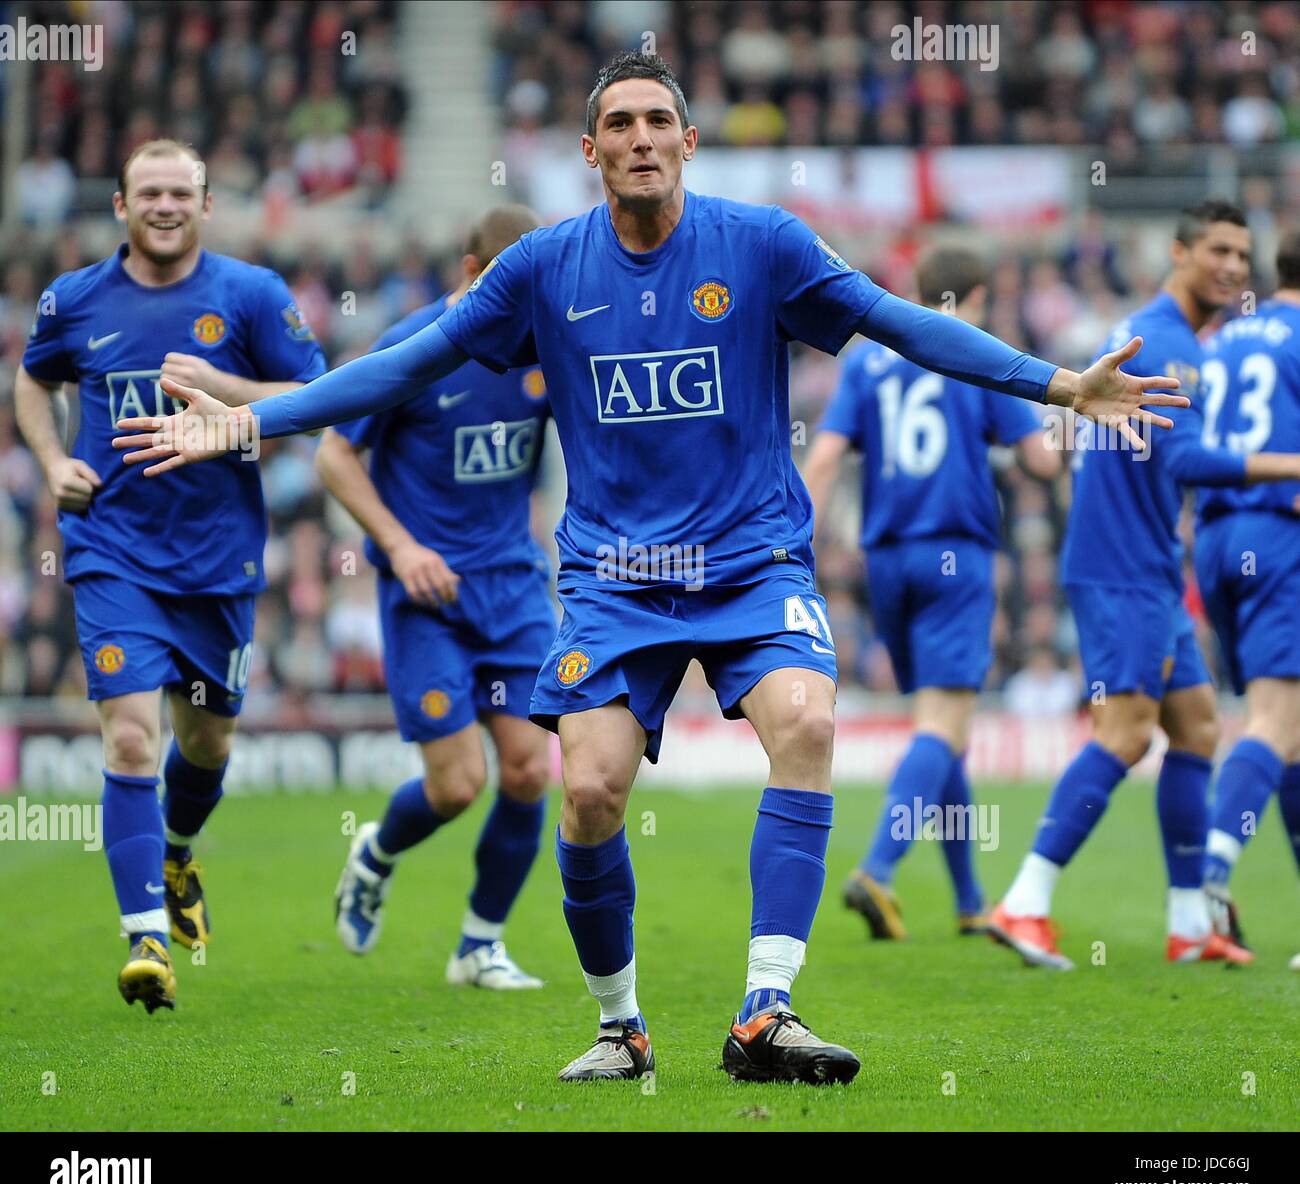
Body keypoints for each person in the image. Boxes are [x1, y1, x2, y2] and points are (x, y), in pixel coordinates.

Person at [115, 54, 1187, 1080]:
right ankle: (619, 1025)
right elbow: (401, 366)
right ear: (589, 148)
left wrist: (1055, 385)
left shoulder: (761, 243)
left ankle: (766, 1007)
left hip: (753, 558)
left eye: (657, 121)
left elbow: (895, 322)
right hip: (612, 577)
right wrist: (256, 424)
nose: (640, 139)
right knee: (585, 794)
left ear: (689, 140)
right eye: (619, 124)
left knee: (808, 724)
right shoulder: (541, 267)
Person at [17, 139, 325, 1012]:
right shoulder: (72, 301)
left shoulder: (251, 295)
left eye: (179, 192)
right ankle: (145, 936)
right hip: (111, 548)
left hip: (218, 561)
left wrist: (221, 385)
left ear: (204, 203)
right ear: (120, 204)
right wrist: (48, 461)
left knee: (207, 744)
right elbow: (32, 381)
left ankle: (177, 847)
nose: (163, 205)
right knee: (128, 740)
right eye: (147, 192)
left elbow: (316, 396)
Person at [989, 202, 1300, 969]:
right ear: (1179, 249)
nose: (1232, 266)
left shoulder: (1180, 339)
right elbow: (1184, 461)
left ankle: (1191, 924)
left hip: (1151, 564)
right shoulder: (1162, 340)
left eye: (1242, 253)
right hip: (1121, 567)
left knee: (1196, 728)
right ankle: (1024, 900)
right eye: (1218, 249)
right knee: (1125, 735)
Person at [319, 205, 554, 989]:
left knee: (528, 770)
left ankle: (479, 944)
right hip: (427, 595)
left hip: (514, 590)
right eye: (507, 285)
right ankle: (376, 853)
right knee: (458, 785)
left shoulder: (545, 349)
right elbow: (332, 454)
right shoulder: (413, 349)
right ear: (470, 272)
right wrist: (399, 544)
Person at [803, 247, 1060, 940]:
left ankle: (970, 898)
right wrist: (1072, 435)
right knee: (942, 724)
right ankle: (878, 871)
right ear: (974, 298)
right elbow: (1038, 459)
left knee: (941, 727)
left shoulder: (868, 359)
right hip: (956, 556)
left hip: (885, 562)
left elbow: (824, 455)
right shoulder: (976, 357)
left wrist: (794, 543)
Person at [1194, 229, 1300, 951]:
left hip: (1218, 539)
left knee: (1291, 733)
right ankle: (1212, 869)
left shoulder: (1223, 339)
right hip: (1281, 528)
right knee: (1274, 718)